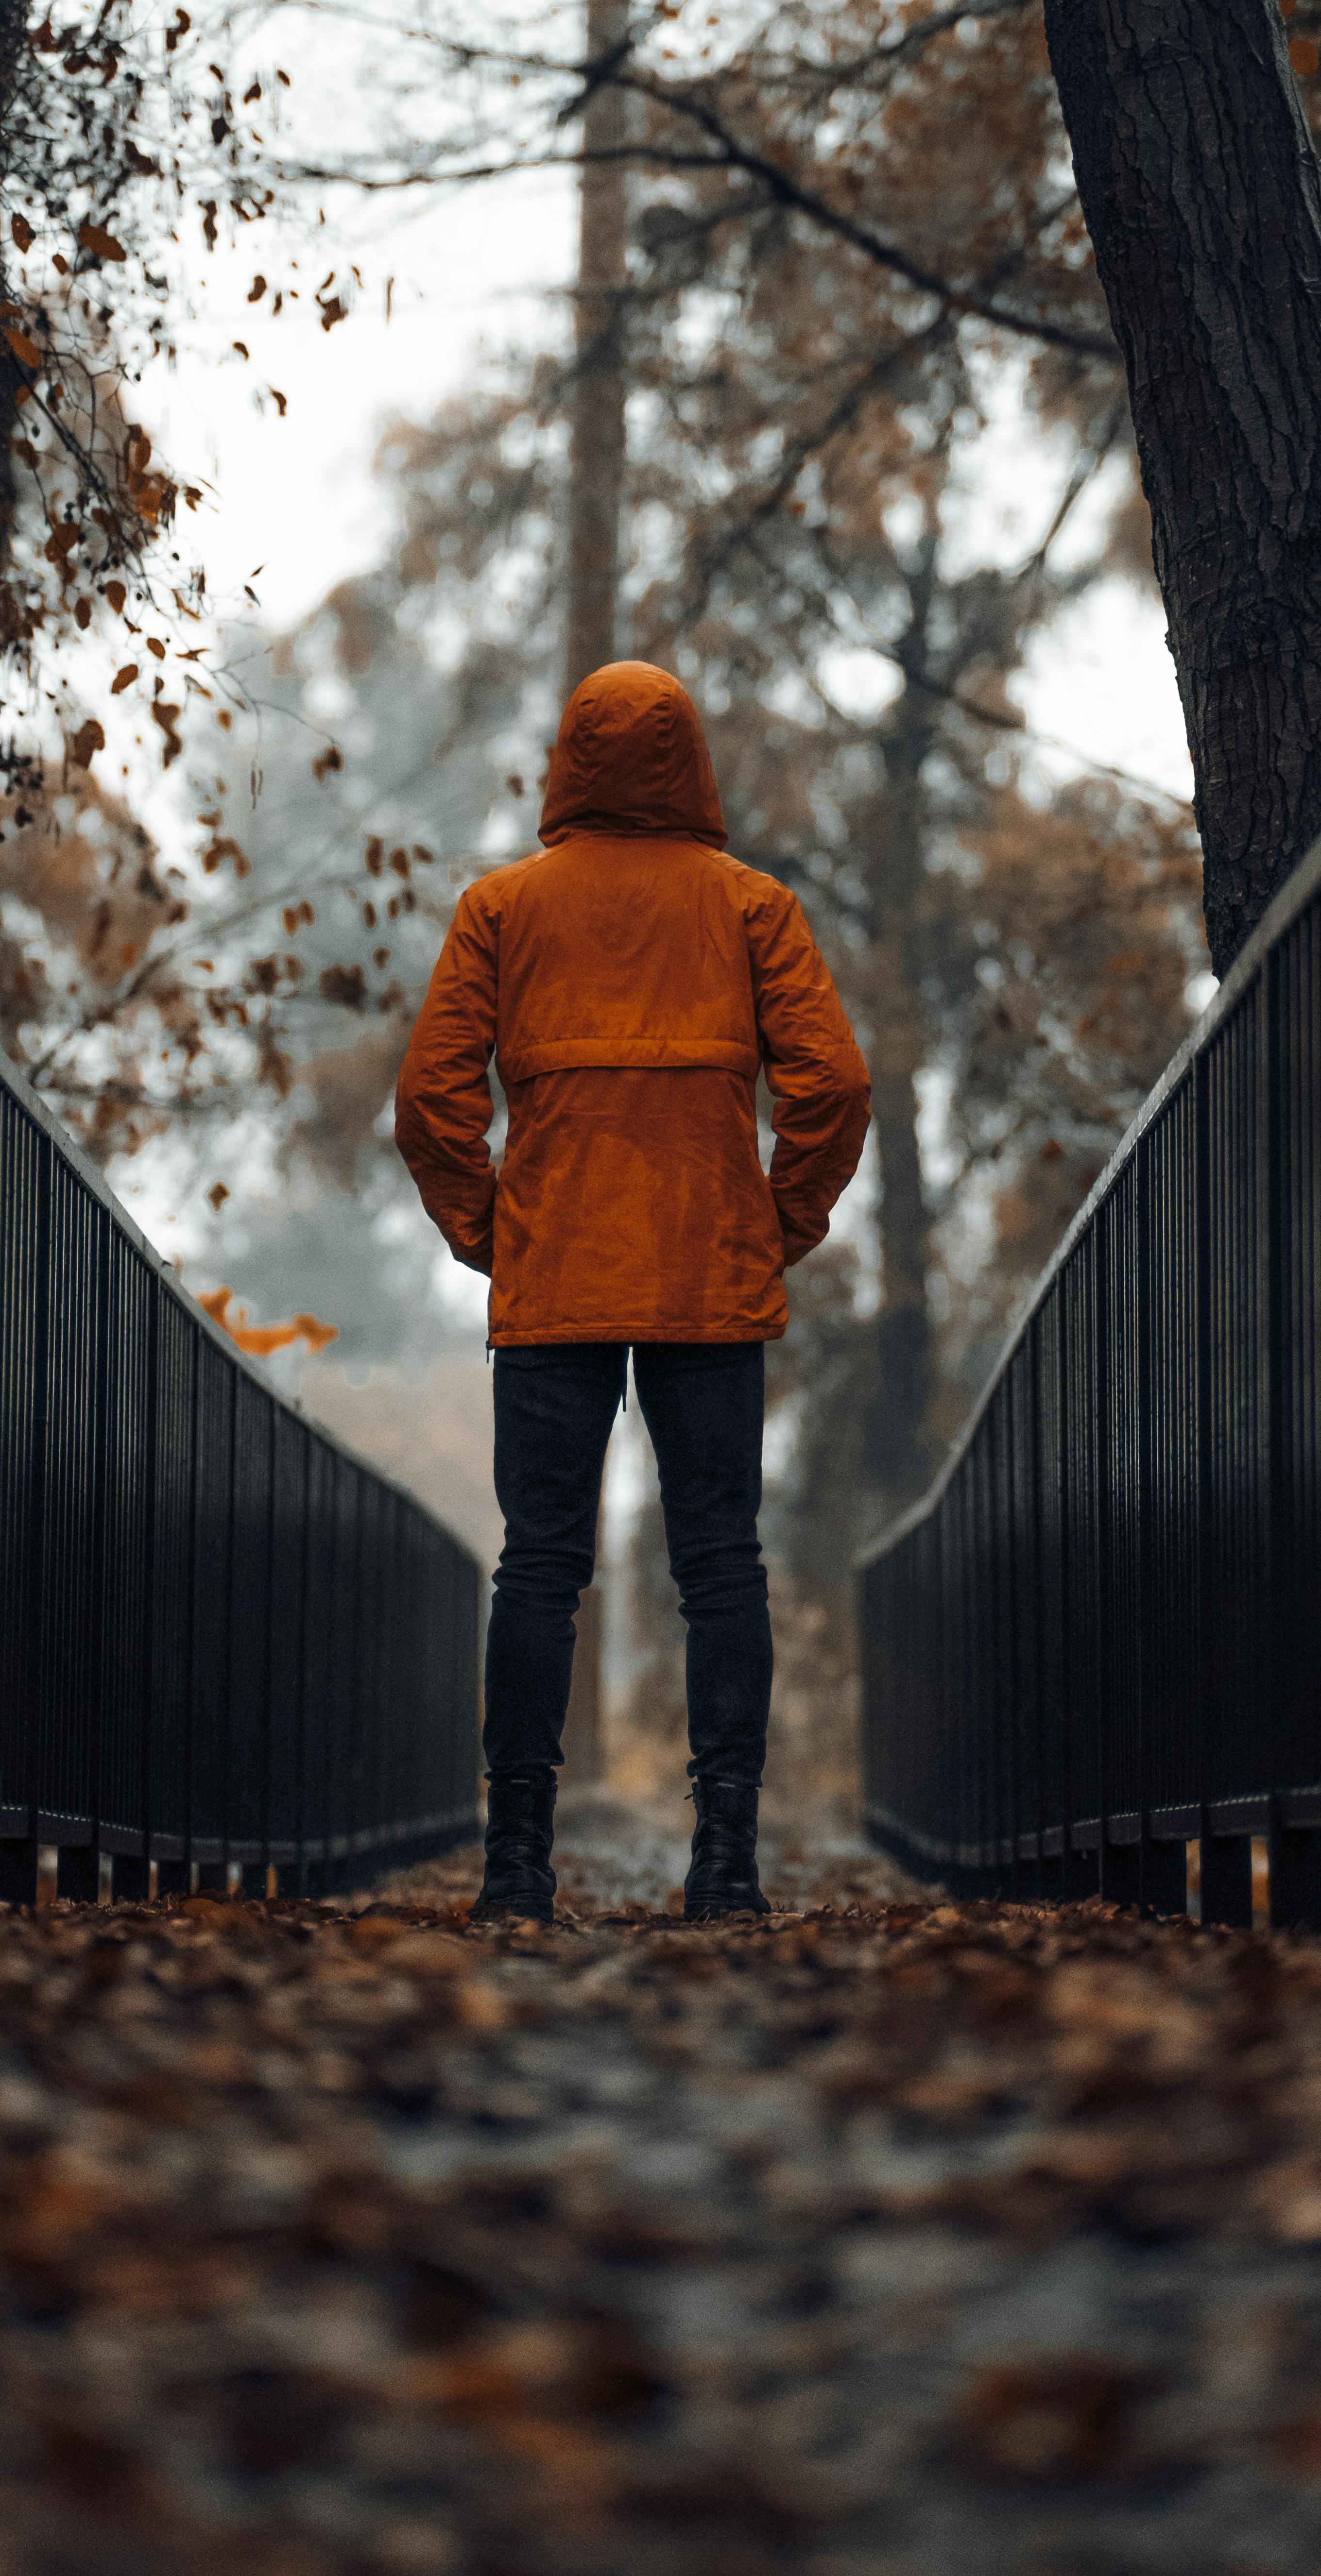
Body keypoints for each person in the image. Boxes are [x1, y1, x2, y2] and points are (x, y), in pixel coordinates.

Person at [393, 661, 870, 1922]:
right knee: (720, 1564)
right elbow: (834, 1083)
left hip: (557, 1274)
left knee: (539, 1570)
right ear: (687, 763)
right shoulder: (750, 907)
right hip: (708, 1272)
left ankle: (517, 1865)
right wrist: (778, 1223)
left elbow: (431, 1096)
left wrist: (493, 1231)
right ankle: (725, 1865)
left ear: (571, 763)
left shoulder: (503, 908)